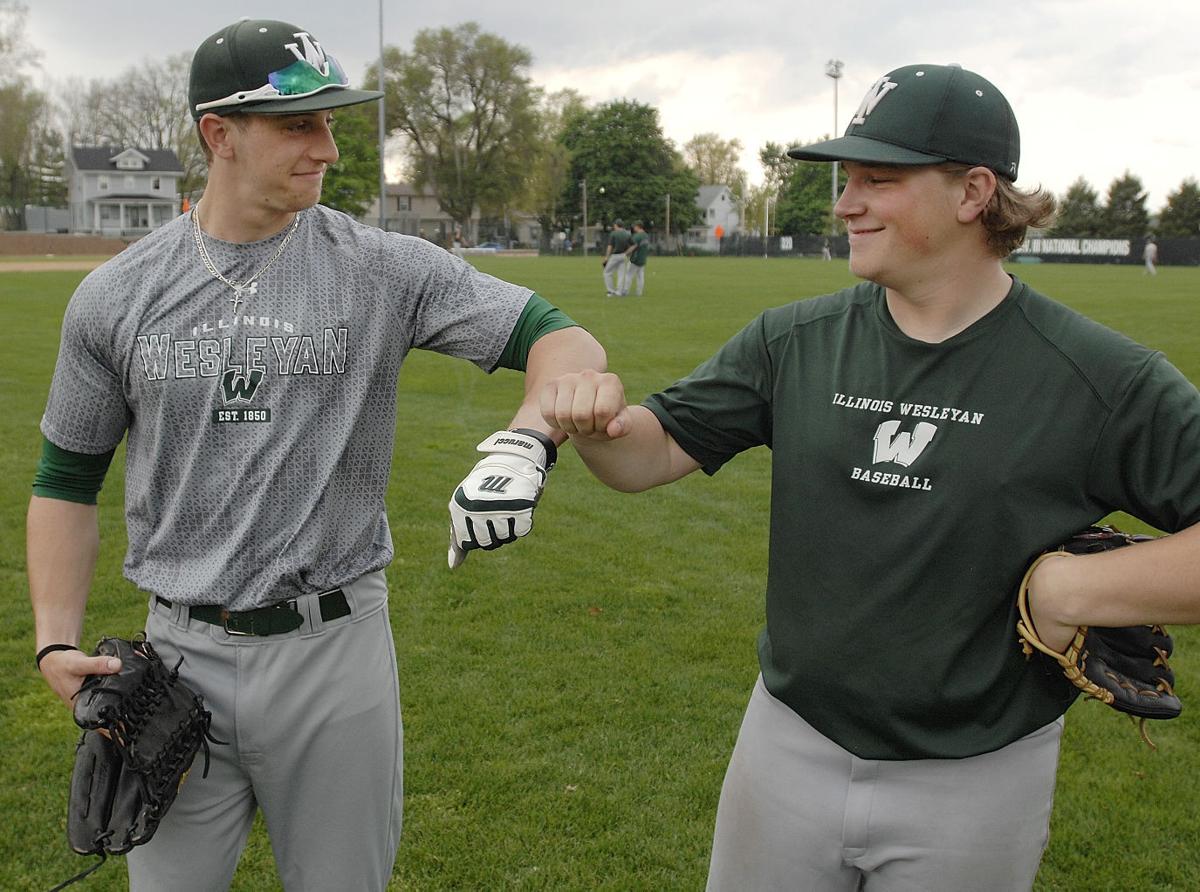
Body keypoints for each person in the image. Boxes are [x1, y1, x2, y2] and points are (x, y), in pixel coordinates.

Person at [539, 63, 1200, 890]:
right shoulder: (795, 340)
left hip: (976, 773)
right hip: (787, 742)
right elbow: (647, 456)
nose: (845, 204)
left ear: (973, 193)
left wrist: (1077, 593)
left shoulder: (1100, 377)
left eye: (878, 181)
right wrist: (597, 422)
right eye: (846, 180)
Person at [28, 18, 606, 892]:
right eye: (301, 125)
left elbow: (560, 339)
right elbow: (65, 480)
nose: (329, 148)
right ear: (219, 135)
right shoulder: (117, 295)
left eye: (331, 123)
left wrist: (533, 436)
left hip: (335, 654)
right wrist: (51, 643)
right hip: (175, 662)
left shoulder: (382, 268)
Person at [602, 219, 632, 296]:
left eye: (614, 225)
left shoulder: (614, 234)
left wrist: (606, 257)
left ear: (616, 225)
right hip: (623, 255)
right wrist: (627, 253)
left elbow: (610, 246)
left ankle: (611, 291)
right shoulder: (627, 234)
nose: (613, 226)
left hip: (615, 256)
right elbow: (633, 245)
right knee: (621, 274)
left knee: (607, 272)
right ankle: (619, 292)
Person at [624, 221, 650, 296]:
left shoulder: (637, 236)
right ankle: (639, 292)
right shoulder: (646, 235)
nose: (633, 228)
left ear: (638, 226)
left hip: (635, 259)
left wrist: (625, 254)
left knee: (629, 275)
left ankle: (625, 291)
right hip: (643, 259)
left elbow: (633, 247)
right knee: (640, 276)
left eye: (634, 226)